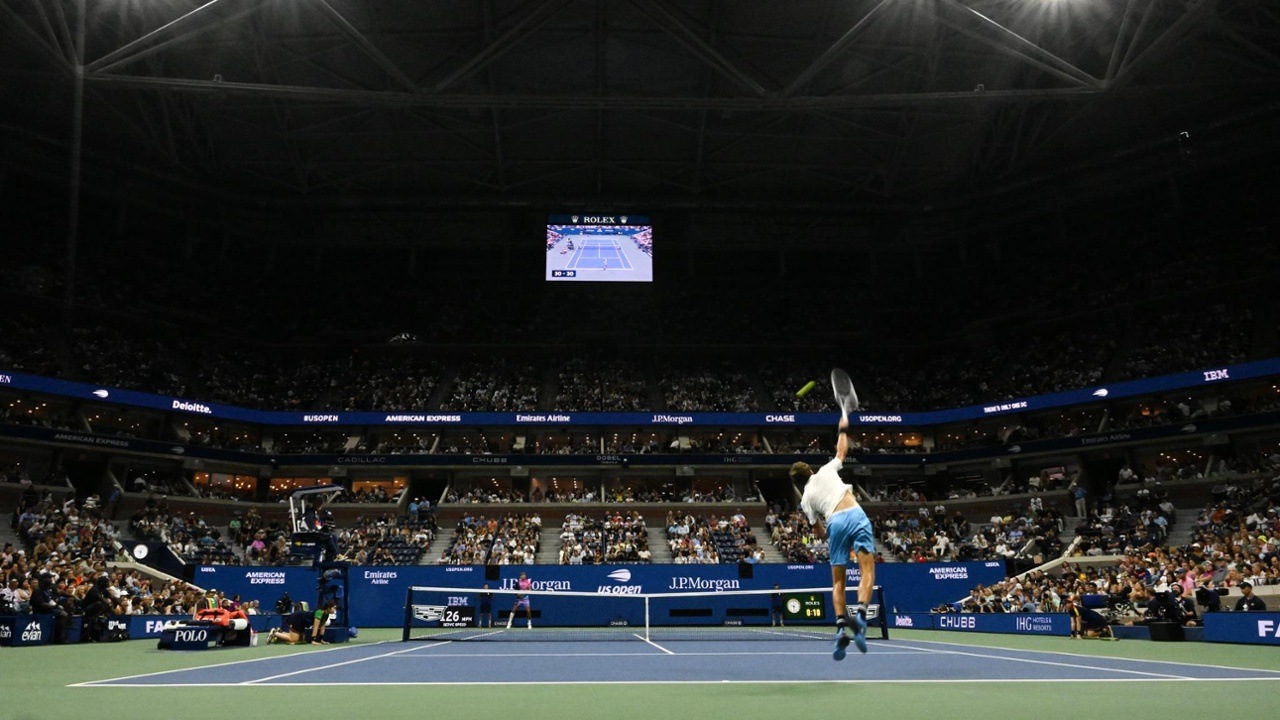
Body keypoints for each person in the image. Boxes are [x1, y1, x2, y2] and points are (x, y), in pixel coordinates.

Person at [791, 415, 874, 659]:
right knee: (866, 570)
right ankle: (859, 616)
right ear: (809, 470)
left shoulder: (805, 500)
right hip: (855, 514)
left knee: (838, 582)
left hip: (834, 523)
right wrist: (843, 427)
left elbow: (819, 531)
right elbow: (842, 450)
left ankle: (840, 628)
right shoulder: (826, 470)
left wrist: (837, 538)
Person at [269, 598, 338, 645]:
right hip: (296, 618)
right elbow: (315, 627)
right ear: (328, 608)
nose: (335, 610)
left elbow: (322, 627)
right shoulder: (319, 612)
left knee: (300, 639)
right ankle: (275, 633)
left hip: (302, 623)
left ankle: (281, 633)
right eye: (334, 608)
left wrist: (321, 640)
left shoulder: (326, 614)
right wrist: (313, 640)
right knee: (294, 640)